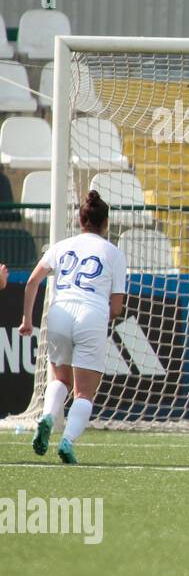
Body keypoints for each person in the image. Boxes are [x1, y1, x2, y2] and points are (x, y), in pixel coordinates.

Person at [21, 191, 127, 464]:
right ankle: (66, 442)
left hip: (59, 312)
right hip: (92, 313)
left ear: (80, 221)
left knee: (59, 380)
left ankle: (46, 417)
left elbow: (32, 282)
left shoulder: (60, 246)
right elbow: (116, 307)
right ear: (105, 224)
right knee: (84, 393)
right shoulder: (114, 253)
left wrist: (27, 320)